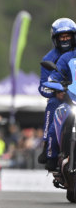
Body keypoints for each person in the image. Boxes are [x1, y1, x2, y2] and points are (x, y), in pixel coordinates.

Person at [37, 18, 76, 171]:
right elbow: (45, 84)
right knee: (54, 106)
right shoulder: (50, 59)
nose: (65, 39)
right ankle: (48, 147)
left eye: (68, 36)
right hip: (63, 96)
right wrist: (55, 90)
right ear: (56, 38)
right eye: (62, 36)